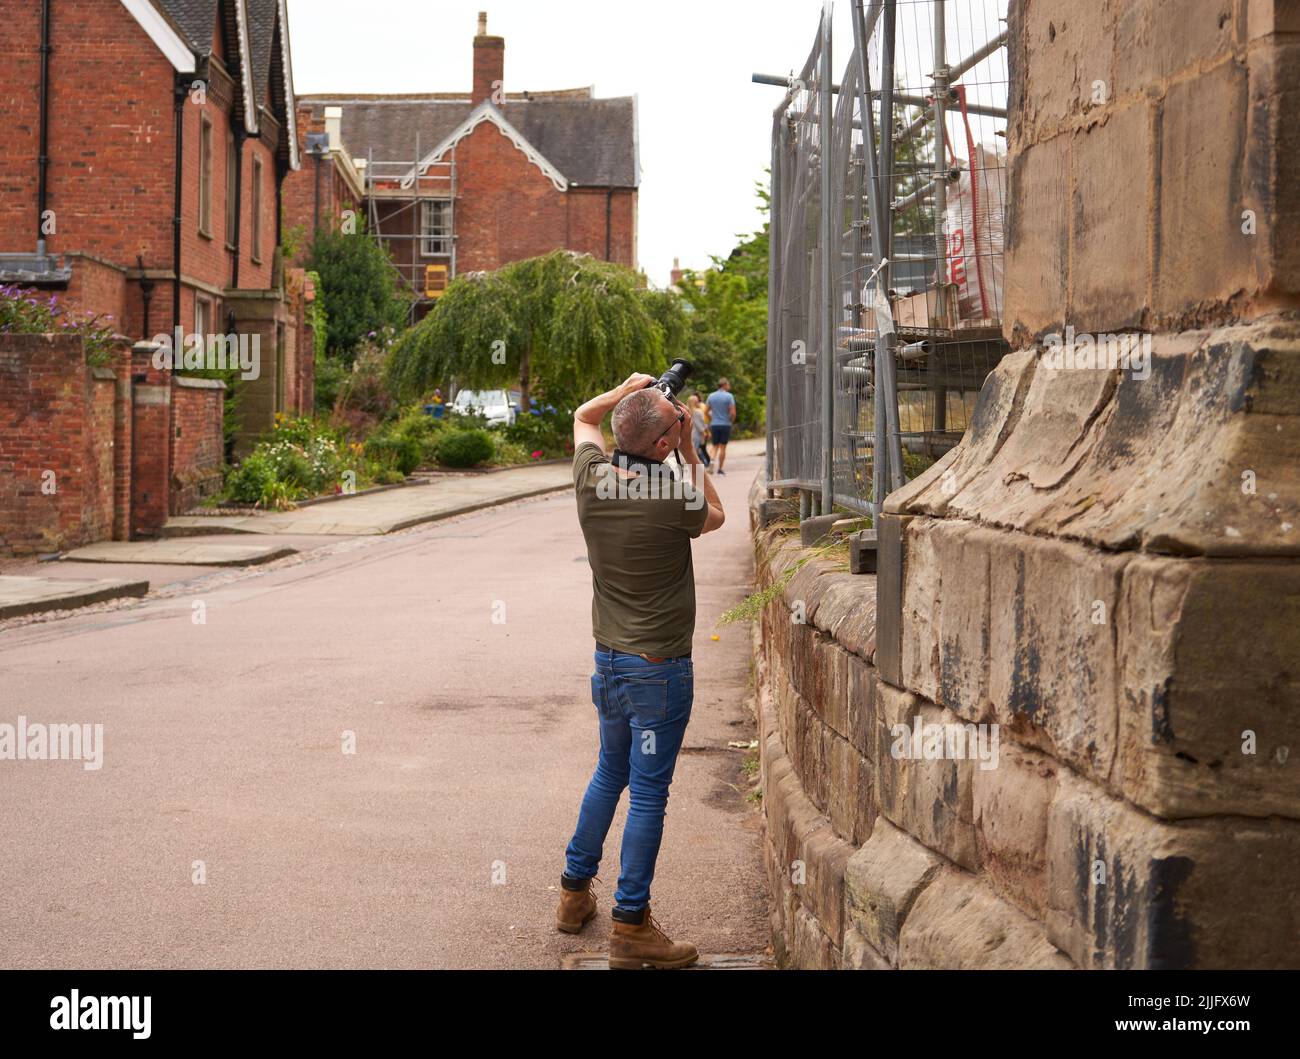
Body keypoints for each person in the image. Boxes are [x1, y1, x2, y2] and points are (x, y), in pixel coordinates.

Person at [557, 372, 725, 970]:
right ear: (660, 444)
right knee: (649, 792)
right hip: (658, 668)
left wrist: (626, 389)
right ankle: (631, 926)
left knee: (609, 772)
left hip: (608, 661)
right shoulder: (673, 497)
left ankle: (574, 895)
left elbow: (583, 415)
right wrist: (688, 449)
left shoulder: (590, 478)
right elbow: (717, 515)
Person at [704, 378, 737, 475]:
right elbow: (733, 412)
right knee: (723, 447)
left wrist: (712, 419)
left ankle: (711, 462)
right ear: (724, 385)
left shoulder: (711, 396)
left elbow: (706, 411)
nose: (729, 386)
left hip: (714, 424)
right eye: (728, 384)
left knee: (714, 446)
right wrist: (730, 421)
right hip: (725, 424)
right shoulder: (729, 396)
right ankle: (720, 469)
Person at [687, 393, 711, 468]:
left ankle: (701, 464)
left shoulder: (688, 411)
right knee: (697, 450)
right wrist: (705, 432)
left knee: (695, 449)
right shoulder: (697, 411)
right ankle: (704, 464)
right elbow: (701, 424)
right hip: (698, 433)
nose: (698, 402)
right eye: (697, 401)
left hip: (691, 433)